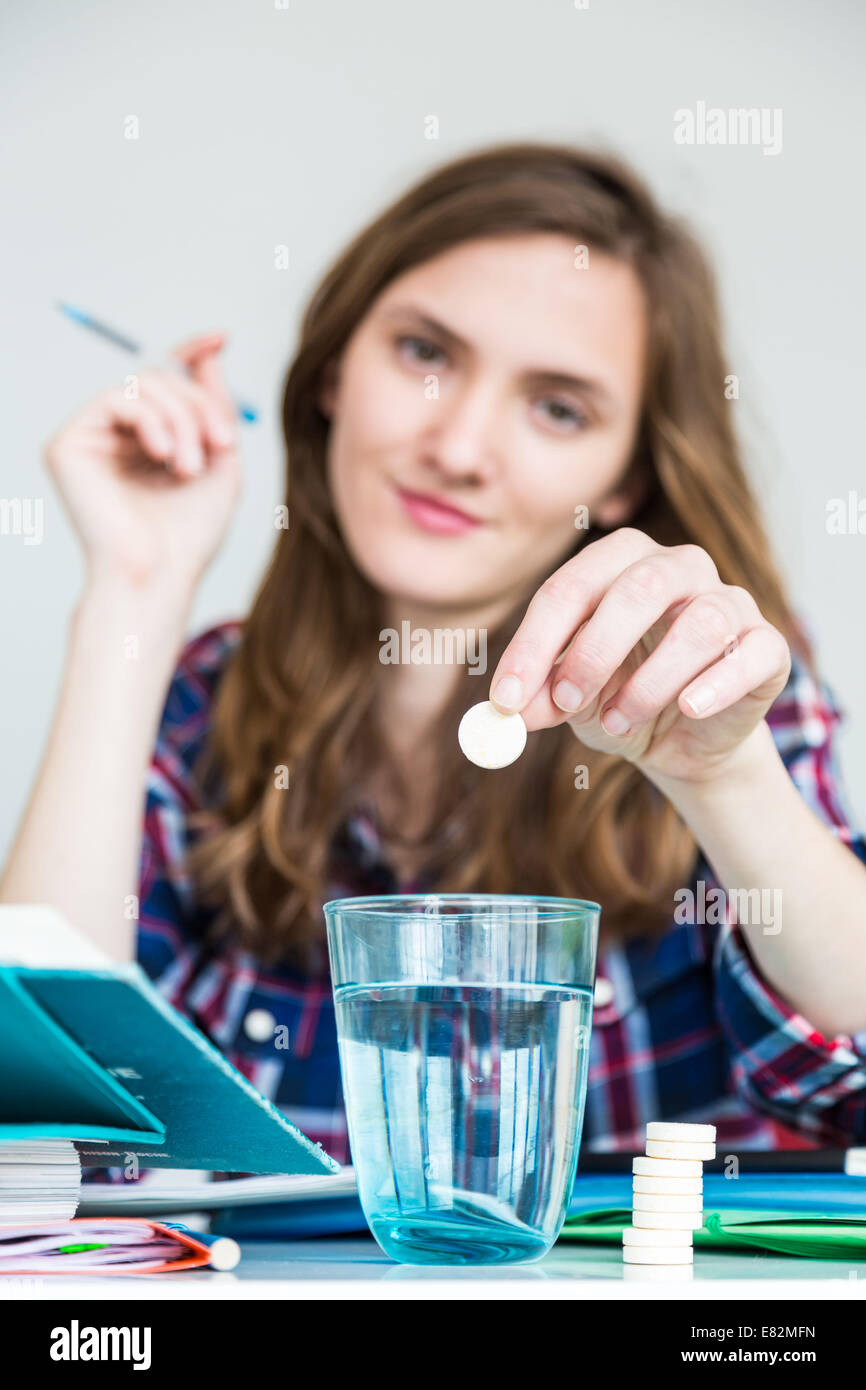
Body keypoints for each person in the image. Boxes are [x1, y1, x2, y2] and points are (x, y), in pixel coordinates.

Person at [3, 142, 866, 1167]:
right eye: (425, 353)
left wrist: (723, 779)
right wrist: (131, 591)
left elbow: (848, 1061)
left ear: (625, 477)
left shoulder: (711, 693)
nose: (457, 448)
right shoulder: (193, 703)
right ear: (333, 367)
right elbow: (45, 1093)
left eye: (556, 408)